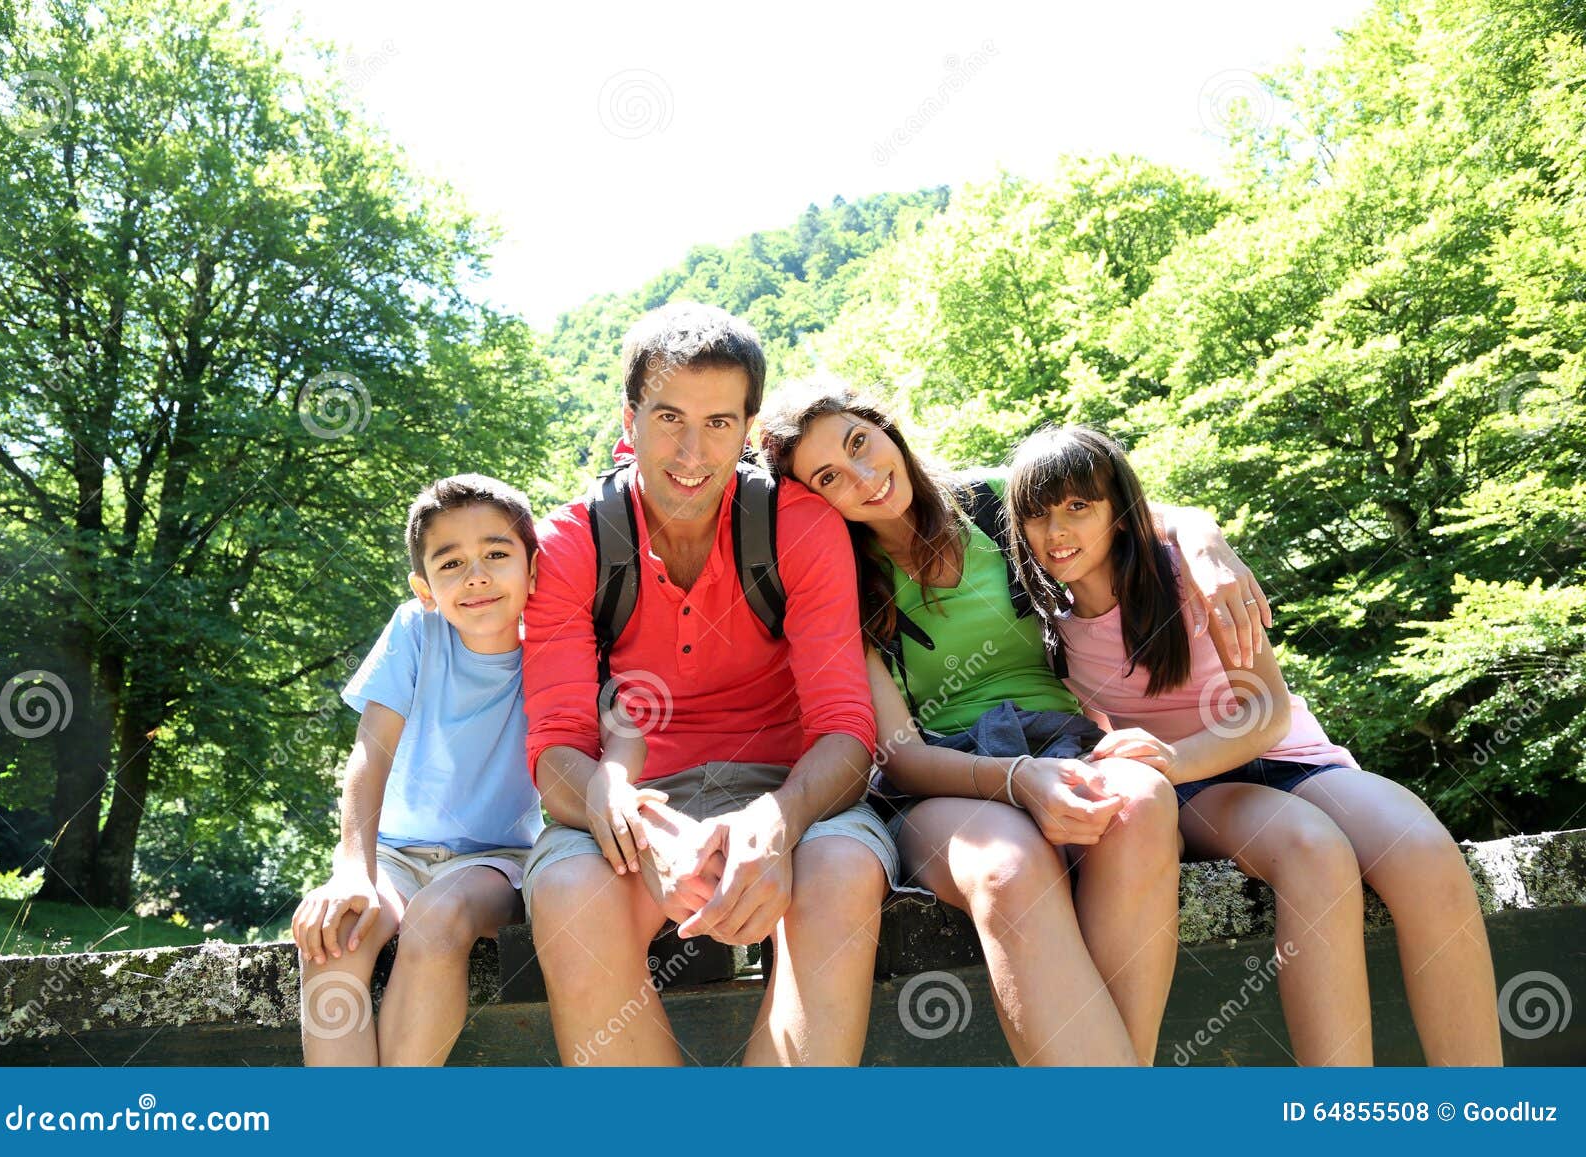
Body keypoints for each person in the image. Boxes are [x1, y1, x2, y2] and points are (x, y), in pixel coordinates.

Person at [758, 382, 1259, 1064]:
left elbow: (1132, 511)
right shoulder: (840, 577)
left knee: (1141, 802)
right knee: (1007, 867)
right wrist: (1019, 781)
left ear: (885, 427)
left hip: (1065, 741)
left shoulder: (996, 502)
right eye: (829, 478)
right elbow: (899, 754)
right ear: (814, 500)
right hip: (943, 780)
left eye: (859, 443)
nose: (864, 477)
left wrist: (1201, 538)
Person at [1004, 423, 1503, 1065]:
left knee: (1426, 851)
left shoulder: (1190, 577)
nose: (1058, 531)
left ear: (1121, 514)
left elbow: (1265, 711)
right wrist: (1170, 765)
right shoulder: (1050, 630)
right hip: (1198, 787)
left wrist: (1198, 531)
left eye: (1079, 507)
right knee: (1313, 850)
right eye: (1038, 515)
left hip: (1284, 754)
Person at [520, 303, 900, 1066]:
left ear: (749, 428)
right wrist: (641, 829)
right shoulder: (571, 544)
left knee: (843, 870)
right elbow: (556, 752)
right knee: (569, 896)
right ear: (629, 419)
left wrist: (778, 820)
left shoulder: (797, 525)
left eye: (720, 422)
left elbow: (847, 735)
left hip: (792, 788)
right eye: (669, 418)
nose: (692, 451)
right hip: (633, 802)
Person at [291, 474, 591, 1066]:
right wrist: (352, 868)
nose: (476, 576)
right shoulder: (416, 630)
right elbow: (369, 755)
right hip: (395, 854)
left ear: (534, 571)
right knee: (335, 941)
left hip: (496, 861)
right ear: (424, 588)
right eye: (450, 564)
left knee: (438, 920)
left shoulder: (559, 648)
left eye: (497, 554)